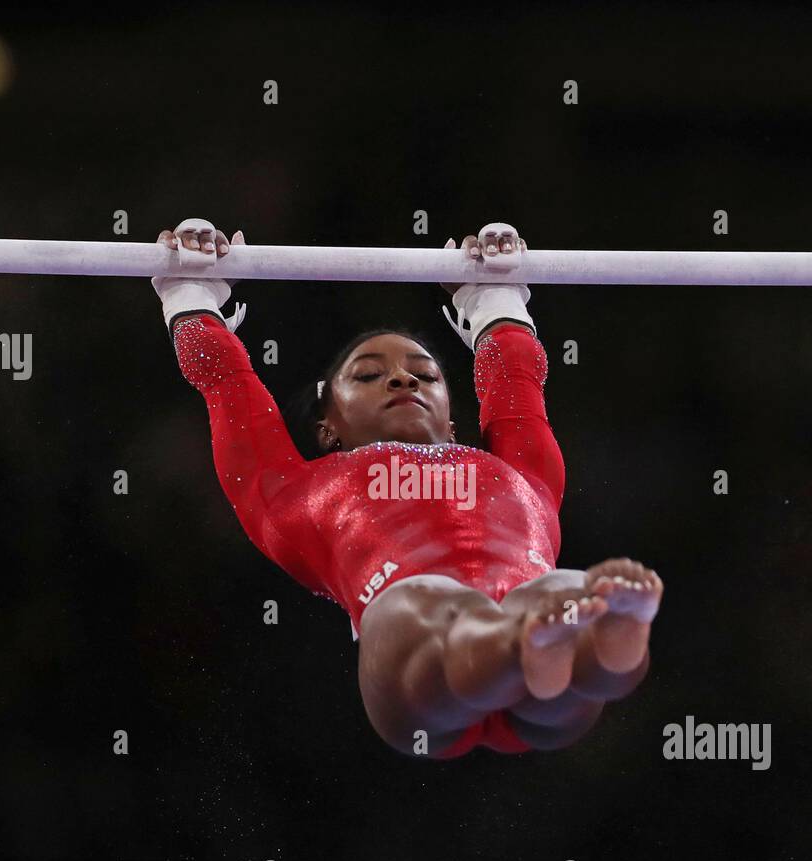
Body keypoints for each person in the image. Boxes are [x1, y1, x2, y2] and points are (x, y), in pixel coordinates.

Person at [153, 218, 662, 759]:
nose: (403, 380)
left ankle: (583, 643)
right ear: (328, 427)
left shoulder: (514, 472)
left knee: (558, 593)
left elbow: (515, 383)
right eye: (368, 375)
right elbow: (227, 384)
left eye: (426, 374)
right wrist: (189, 292)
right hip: (418, 678)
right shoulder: (295, 490)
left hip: (538, 661)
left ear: (451, 413)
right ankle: (545, 642)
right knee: (431, 603)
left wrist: (490, 295)